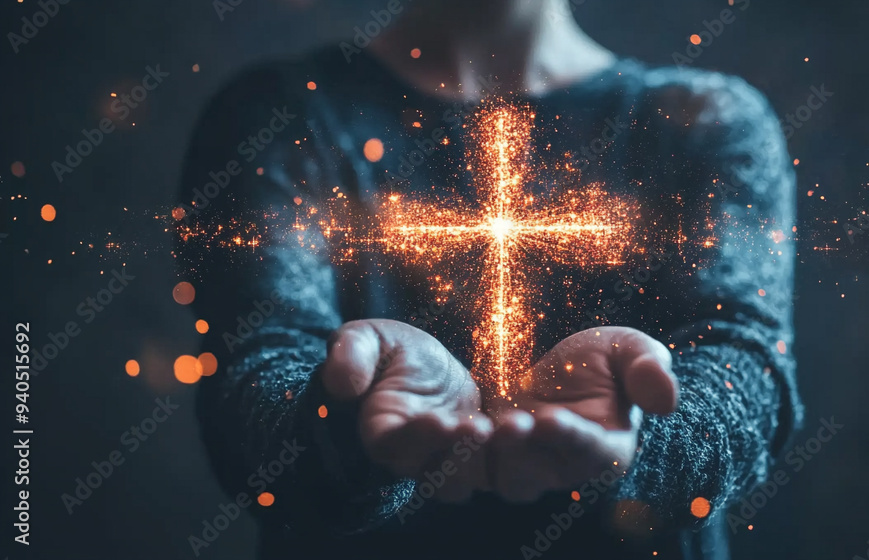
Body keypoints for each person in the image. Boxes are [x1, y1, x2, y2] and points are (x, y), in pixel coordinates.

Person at [175, 0, 803, 558]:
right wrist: (350, 417)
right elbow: (250, 385)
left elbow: (746, 372)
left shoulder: (707, 121)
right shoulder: (278, 115)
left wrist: (649, 433)